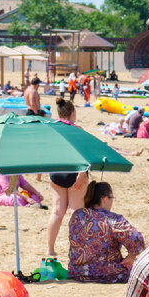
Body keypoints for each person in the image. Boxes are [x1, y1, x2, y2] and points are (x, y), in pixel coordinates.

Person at [67, 181, 145, 282]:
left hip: (77, 273)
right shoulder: (112, 219)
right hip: (108, 274)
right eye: (112, 198)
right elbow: (136, 238)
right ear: (105, 199)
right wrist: (131, 257)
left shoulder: (77, 215)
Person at [46, 99, 89, 257]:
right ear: (73, 113)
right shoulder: (77, 129)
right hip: (74, 173)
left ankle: (50, 249)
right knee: (75, 213)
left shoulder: (52, 129)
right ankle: (77, 250)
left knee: (57, 212)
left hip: (56, 172)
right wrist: (82, 174)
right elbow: (85, 153)